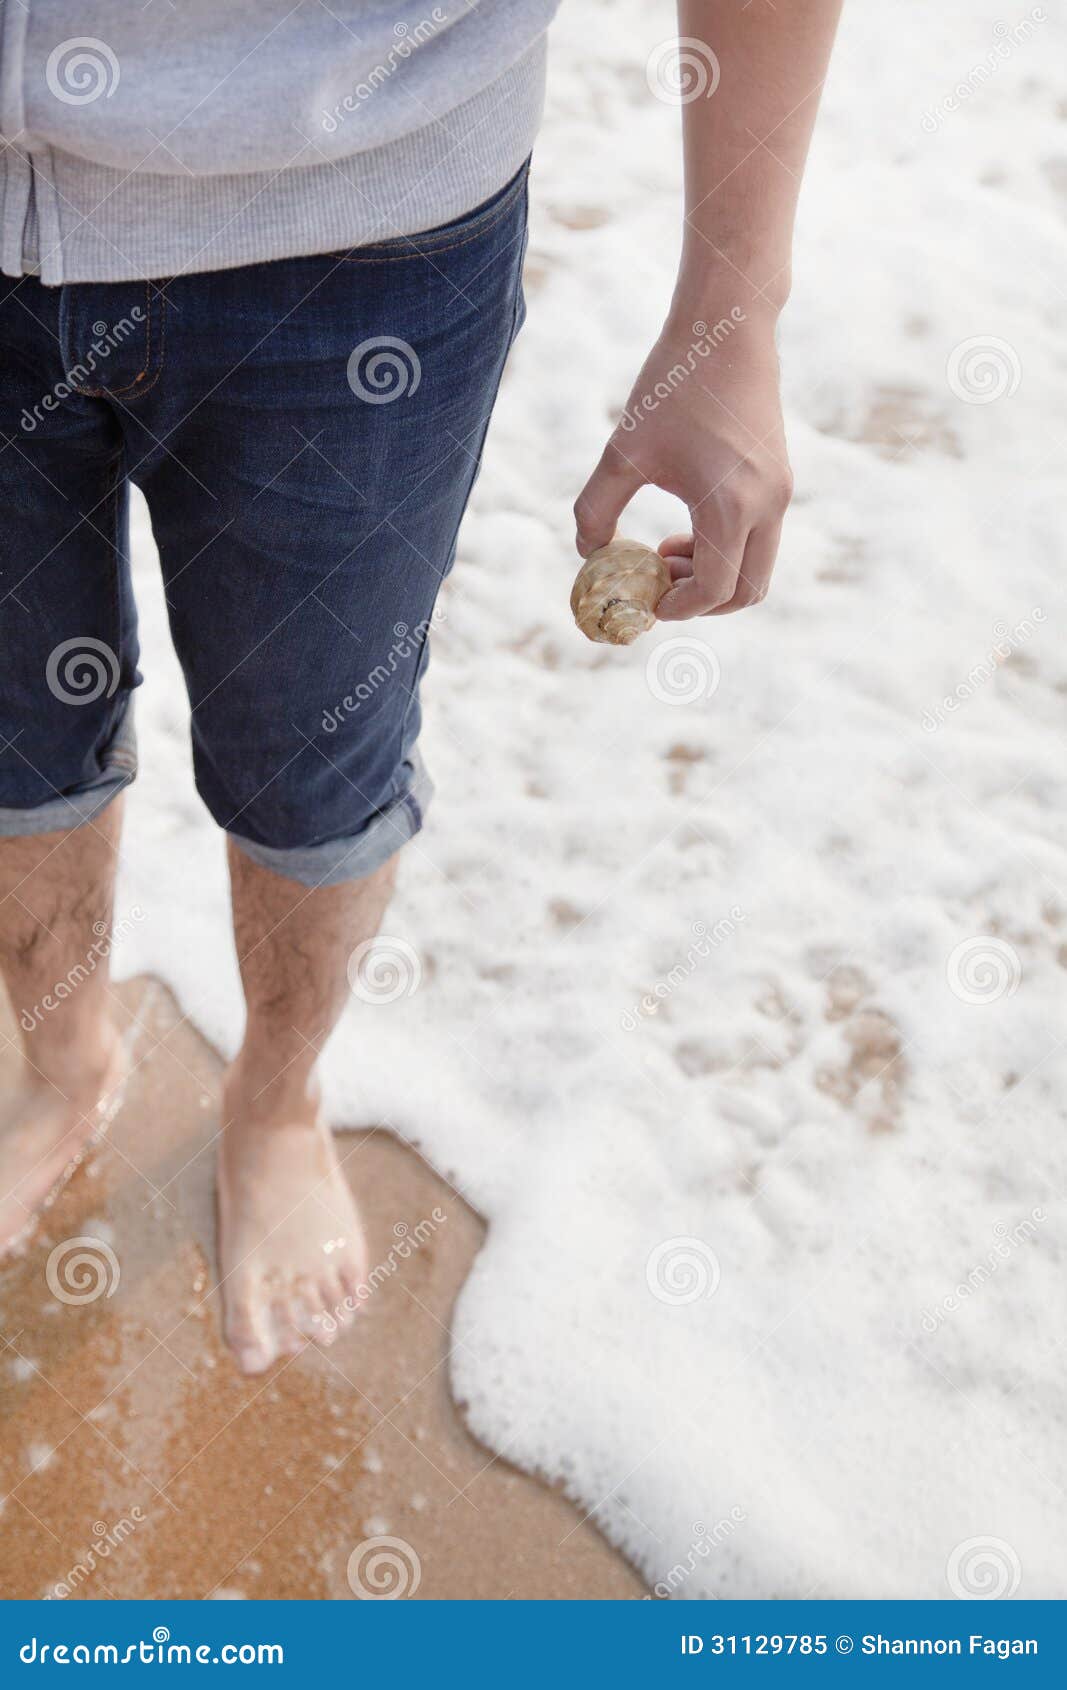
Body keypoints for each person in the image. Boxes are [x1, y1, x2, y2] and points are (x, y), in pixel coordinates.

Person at [0, 1, 842, 1371]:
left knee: (313, 765)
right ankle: (63, 1065)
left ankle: (275, 1102)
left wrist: (731, 316)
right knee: (10, 739)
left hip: (357, 229)